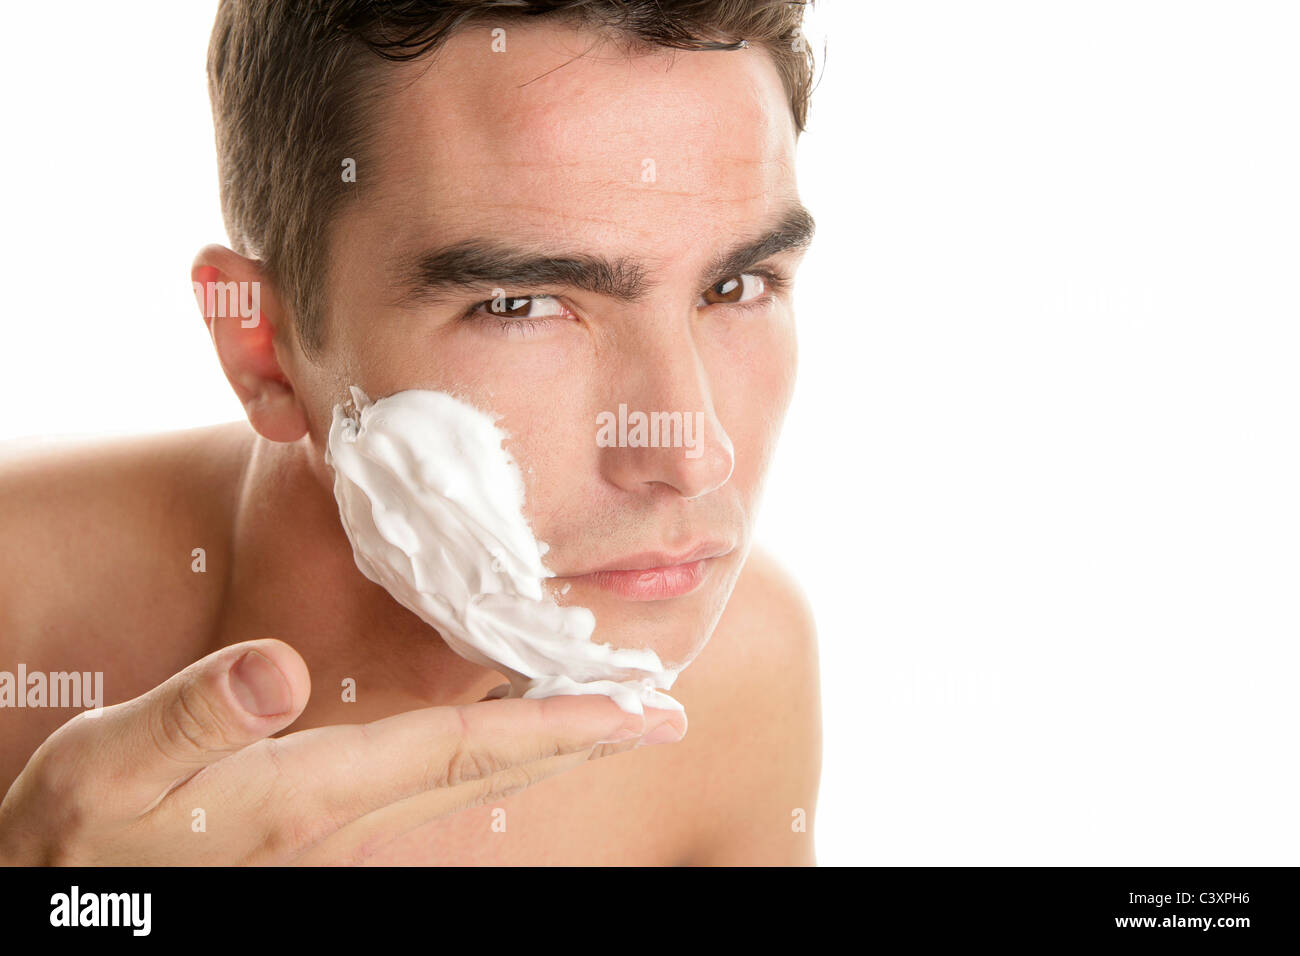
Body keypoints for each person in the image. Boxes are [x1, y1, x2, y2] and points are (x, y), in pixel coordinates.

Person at [0, 0, 821, 865]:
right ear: (264, 350)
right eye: (520, 306)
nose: (692, 456)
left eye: (737, 286)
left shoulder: (746, 673)